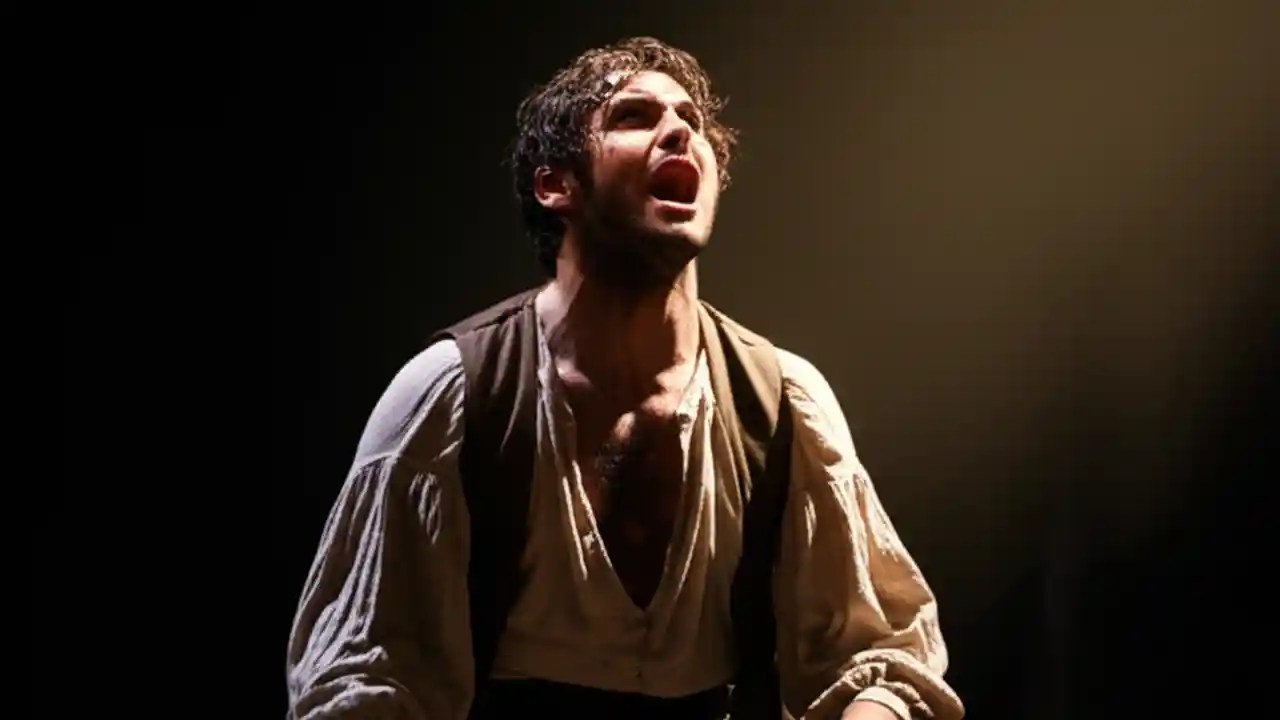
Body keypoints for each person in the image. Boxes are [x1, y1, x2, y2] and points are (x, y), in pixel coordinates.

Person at [285, 36, 964, 720]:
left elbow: (876, 655)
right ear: (556, 184)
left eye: (691, 121)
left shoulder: (784, 400)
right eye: (634, 116)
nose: (679, 130)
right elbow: (363, 676)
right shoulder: (451, 396)